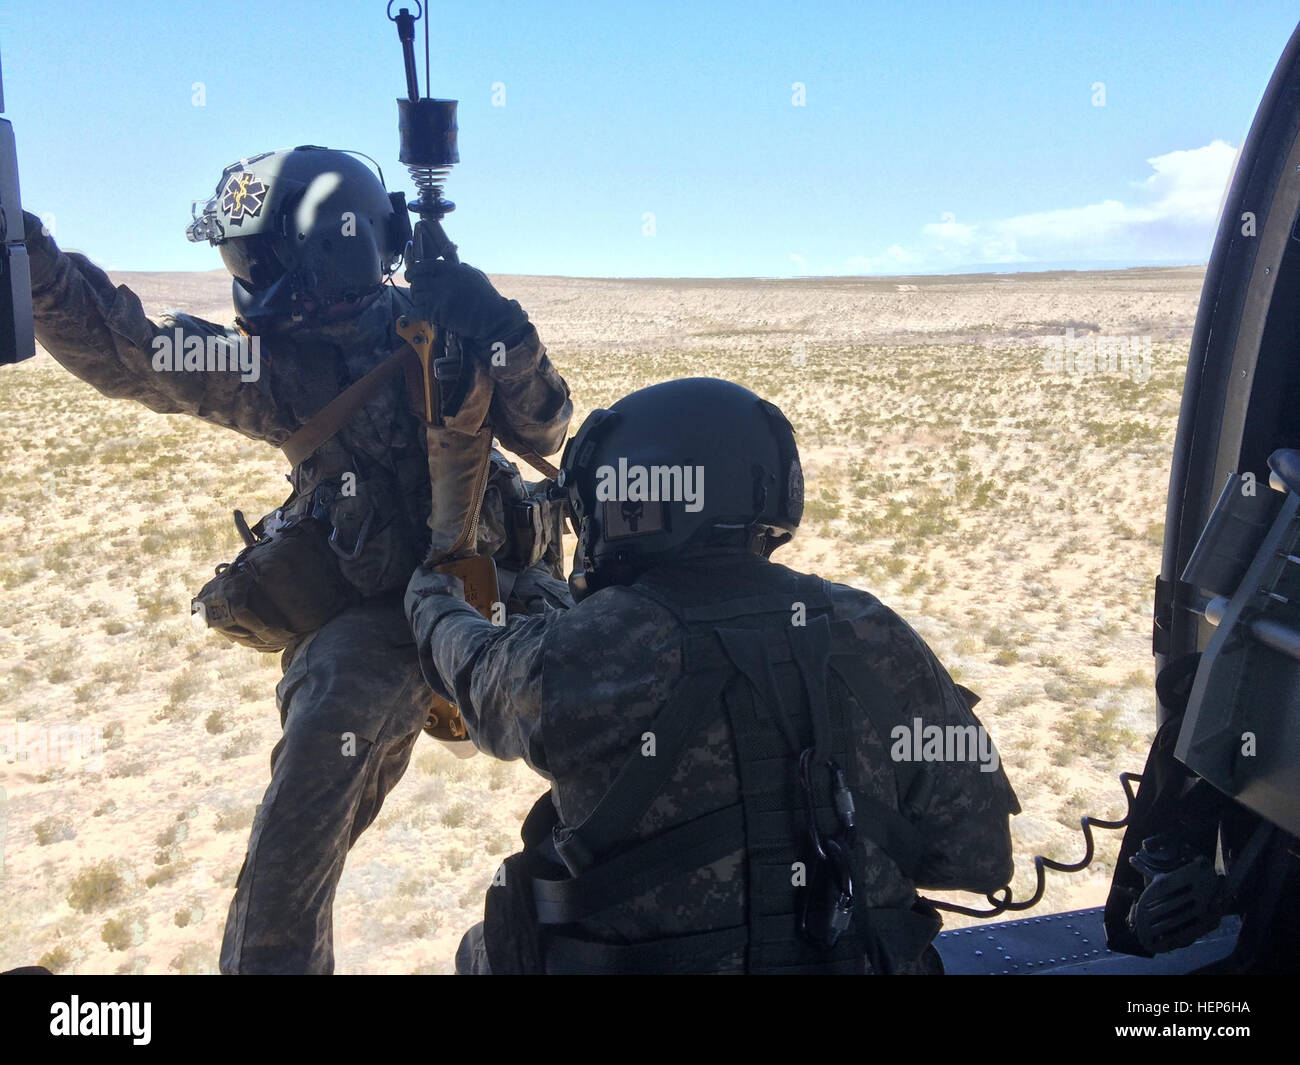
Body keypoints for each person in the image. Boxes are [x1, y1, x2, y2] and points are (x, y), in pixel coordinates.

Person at [23, 145, 572, 973]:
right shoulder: (279, 367)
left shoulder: (442, 322)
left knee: (640, 700)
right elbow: (134, 351)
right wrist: (33, 265)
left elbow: (548, 425)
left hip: (503, 594)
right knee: (300, 818)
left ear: (308, 258)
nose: (239, 274)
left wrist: (500, 327)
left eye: (248, 254)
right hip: (384, 626)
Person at [405, 376, 1020, 974]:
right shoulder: (871, 627)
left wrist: (431, 599)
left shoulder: (598, 643)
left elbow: (482, 680)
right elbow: (977, 856)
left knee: (486, 943)